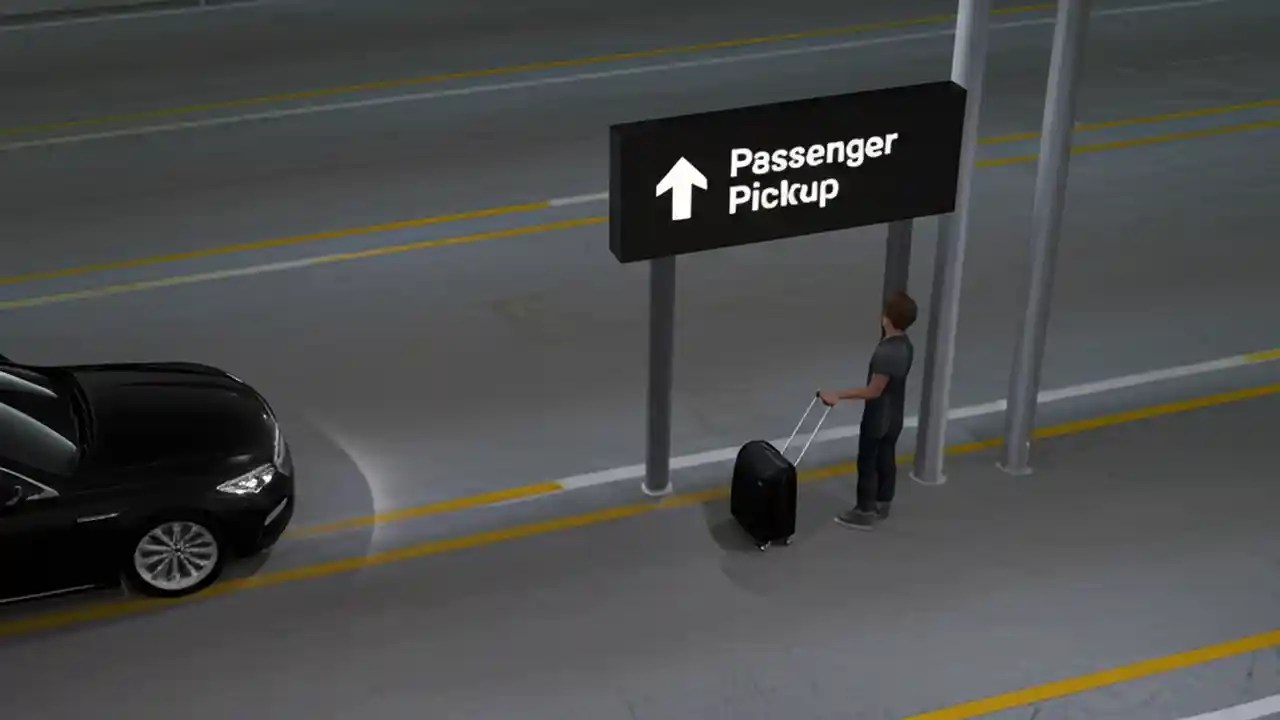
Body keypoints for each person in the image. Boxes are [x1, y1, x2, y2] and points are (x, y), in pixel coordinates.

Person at [818, 291, 917, 531]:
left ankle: (865, 510)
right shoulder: (905, 345)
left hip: (879, 416)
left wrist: (838, 394)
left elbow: (874, 390)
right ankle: (884, 501)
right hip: (895, 415)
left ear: (887, 318)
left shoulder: (886, 352)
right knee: (886, 456)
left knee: (868, 461)